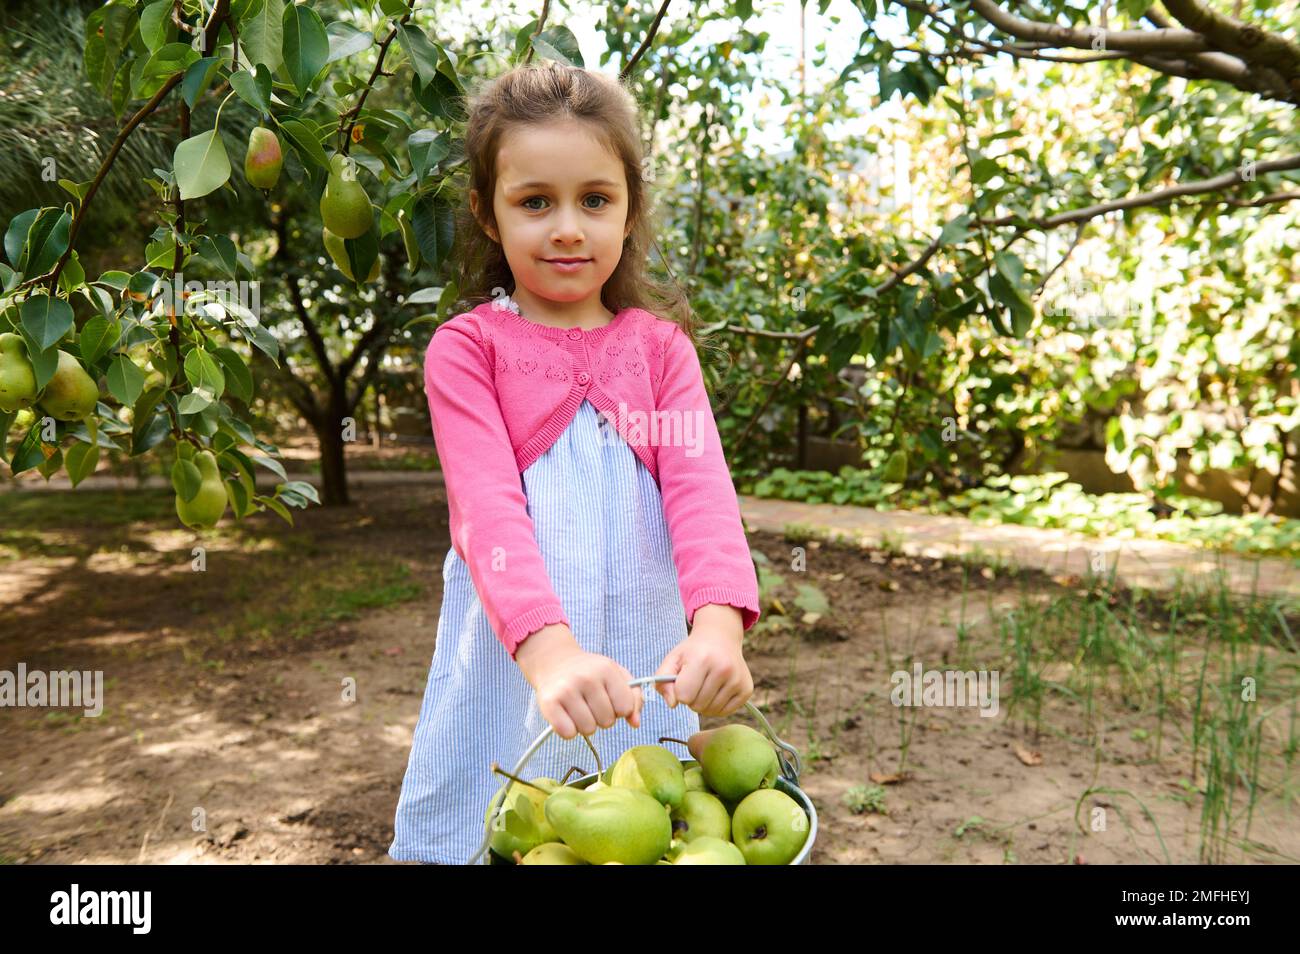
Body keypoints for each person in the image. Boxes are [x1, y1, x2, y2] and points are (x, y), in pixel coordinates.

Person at [388, 60, 761, 866]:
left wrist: (719, 626)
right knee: (512, 830)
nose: (567, 227)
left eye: (595, 199)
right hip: (517, 656)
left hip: (639, 659)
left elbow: (703, 496)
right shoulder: (469, 350)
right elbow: (486, 512)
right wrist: (549, 652)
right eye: (534, 202)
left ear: (629, 211)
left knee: (639, 830)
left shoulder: (661, 352)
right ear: (488, 216)